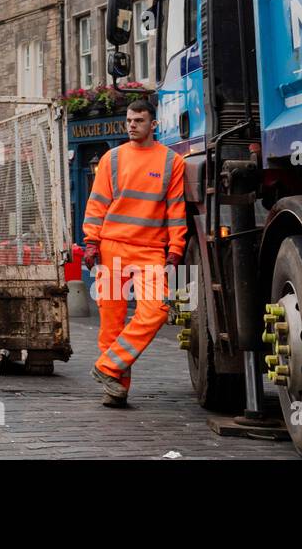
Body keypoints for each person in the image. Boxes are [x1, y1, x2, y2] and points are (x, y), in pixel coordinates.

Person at [81, 99, 187, 407]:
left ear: (153, 124)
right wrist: (91, 241)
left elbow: (175, 211)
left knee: (156, 311)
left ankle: (107, 367)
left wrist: (176, 248)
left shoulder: (171, 162)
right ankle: (116, 388)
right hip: (112, 249)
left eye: (138, 120)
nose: (131, 125)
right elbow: (97, 203)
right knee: (111, 323)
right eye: (129, 120)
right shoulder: (112, 159)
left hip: (150, 250)